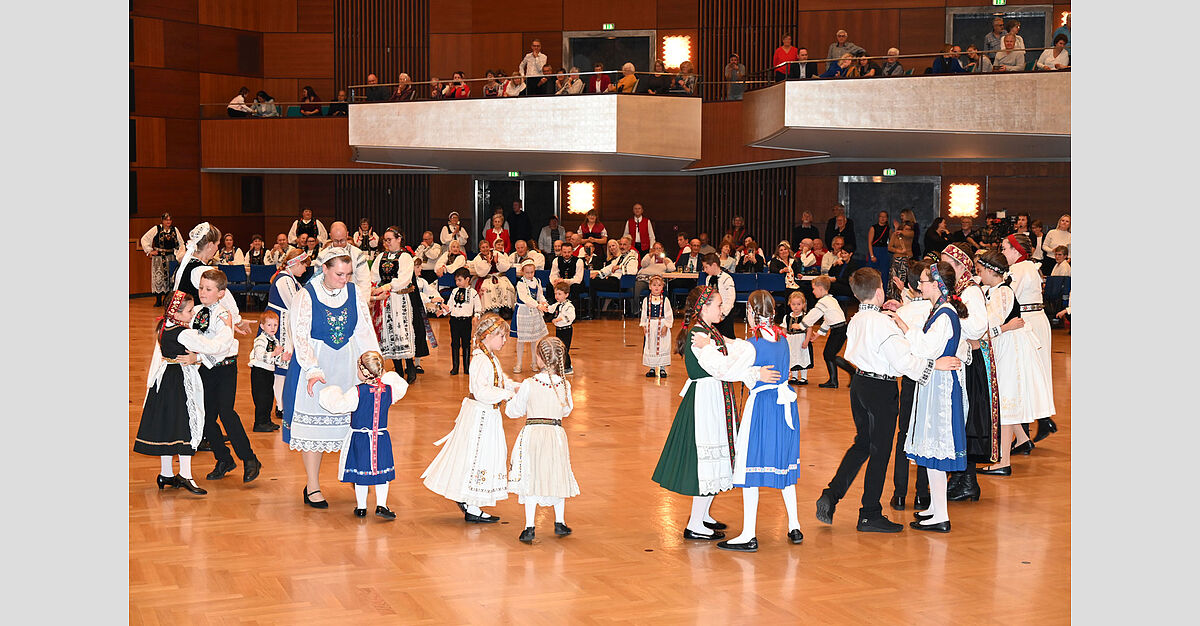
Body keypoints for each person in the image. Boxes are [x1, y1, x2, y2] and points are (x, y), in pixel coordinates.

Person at [814, 268, 961, 533]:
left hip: (859, 384)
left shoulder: (857, 318)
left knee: (862, 444)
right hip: (880, 388)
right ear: (880, 291)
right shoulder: (883, 323)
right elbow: (904, 361)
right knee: (880, 451)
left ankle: (832, 494)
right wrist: (934, 365)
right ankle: (869, 513)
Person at [652, 285, 781, 541]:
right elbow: (723, 368)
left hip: (716, 397)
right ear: (704, 307)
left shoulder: (709, 332)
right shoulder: (698, 335)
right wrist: (754, 373)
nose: (722, 309)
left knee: (718, 454)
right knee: (706, 460)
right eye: (718, 304)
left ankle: (705, 516)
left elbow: (735, 350)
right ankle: (695, 524)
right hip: (705, 400)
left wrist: (753, 345)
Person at [282, 248, 380, 509]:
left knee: (353, 425)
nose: (344, 279)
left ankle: (356, 477)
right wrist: (313, 369)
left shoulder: (354, 293)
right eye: (339, 273)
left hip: (347, 364)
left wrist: (373, 364)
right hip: (316, 364)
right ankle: (312, 485)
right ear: (324, 269)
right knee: (313, 428)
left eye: (348, 274)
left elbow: (364, 330)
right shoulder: (306, 295)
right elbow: (300, 335)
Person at [717, 290, 804, 551]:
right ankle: (795, 525)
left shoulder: (751, 342)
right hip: (785, 405)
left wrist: (750, 372)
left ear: (751, 313)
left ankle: (748, 534)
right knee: (783, 463)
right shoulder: (782, 337)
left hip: (763, 406)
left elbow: (732, 370)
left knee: (750, 466)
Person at [894, 261, 970, 533]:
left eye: (925, 280)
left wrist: (903, 325)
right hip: (933, 382)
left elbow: (927, 347)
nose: (921, 284)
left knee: (936, 446)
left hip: (941, 388)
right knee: (929, 445)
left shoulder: (945, 313)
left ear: (937, 284)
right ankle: (936, 507)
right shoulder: (940, 311)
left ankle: (942, 514)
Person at [422, 313, 518, 521]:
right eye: (501, 336)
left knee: (480, 456)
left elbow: (499, 380)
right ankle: (472, 504)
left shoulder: (490, 358)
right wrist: (506, 394)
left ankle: (470, 500)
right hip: (480, 416)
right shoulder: (480, 360)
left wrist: (513, 386)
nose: (504, 341)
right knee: (478, 456)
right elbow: (482, 391)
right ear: (487, 336)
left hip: (488, 415)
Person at [974, 251, 1047, 475]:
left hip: (1009, 346)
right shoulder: (993, 290)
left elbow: (991, 327)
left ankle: (1003, 461)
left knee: (1004, 400)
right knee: (1005, 397)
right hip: (1004, 343)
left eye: (980, 270)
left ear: (990, 271)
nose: (979, 274)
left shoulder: (1002, 293)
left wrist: (983, 334)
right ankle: (1023, 440)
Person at [191, 269, 263, 483]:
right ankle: (224, 458)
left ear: (221, 293)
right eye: (201, 288)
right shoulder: (197, 311)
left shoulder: (224, 316)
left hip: (224, 368)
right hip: (204, 368)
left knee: (226, 412)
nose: (203, 292)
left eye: (208, 289)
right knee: (205, 417)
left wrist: (196, 354)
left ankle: (249, 458)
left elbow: (220, 346)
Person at [317, 350, 407, 520]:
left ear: (364, 371)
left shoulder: (357, 392)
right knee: (382, 473)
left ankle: (361, 507)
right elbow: (400, 386)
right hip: (381, 438)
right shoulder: (389, 390)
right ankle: (381, 505)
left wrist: (331, 391)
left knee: (361, 474)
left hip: (360, 439)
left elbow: (339, 405)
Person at [939, 243, 998, 503]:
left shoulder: (970, 291)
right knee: (961, 417)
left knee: (970, 416)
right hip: (963, 357)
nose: (944, 269)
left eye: (948, 263)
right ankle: (961, 478)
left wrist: (950, 319)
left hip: (973, 362)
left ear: (962, 265)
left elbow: (976, 327)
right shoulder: (957, 290)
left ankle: (968, 481)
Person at [507, 336, 580, 543]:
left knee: (532, 476)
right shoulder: (564, 385)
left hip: (533, 433)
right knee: (556, 473)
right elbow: (566, 410)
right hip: (555, 434)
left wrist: (510, 399)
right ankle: (559, 522)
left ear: (539, 358)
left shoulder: (529, 384)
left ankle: (529, 526)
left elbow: (515, 411)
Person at [134, 290, 207, 496]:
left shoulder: (165, 326)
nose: (193, 314)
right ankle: (185, 474)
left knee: (168, 425)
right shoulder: (184, 333)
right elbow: (209, 347)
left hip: (165, 378)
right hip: (179, 380)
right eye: (190, 311)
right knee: (184, 425)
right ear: (177, 312)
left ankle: (166, 474)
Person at [1001, 234, 1057, 443]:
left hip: (1027, 322)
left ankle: (1024, 430)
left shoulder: (1018, 269)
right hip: (1037, 319)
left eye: (1005, 248)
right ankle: (1040, 421)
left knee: (1022, 374)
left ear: (1015, 250)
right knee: (1035, 373)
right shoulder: (1030, 267)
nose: (1003, 252)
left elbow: (1007, 295)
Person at [888, 268, 932, 512]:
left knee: (904, 433)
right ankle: (922, 494)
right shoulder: (935, 310)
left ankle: (900, 493)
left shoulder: (904, 312)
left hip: (909, 377)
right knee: (926, 432)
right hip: (931, 375)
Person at [370, 228, 423, 383]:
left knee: (402, 330)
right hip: (384, 301)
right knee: (388, 332)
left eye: (389, 239)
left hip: (400, 300)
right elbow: (374, 276)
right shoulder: (381, 256)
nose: (387, 243)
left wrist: (385, 287)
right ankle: (398, 368)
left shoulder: (405, 257)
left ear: (398, 239)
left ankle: (410, 366)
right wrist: (374, 287)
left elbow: (404, 280)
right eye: (385, 240)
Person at [268, 249, 309, 417]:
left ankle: (283, 403)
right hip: (279, 325)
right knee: (281, 368)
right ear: (297, 263)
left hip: (284, 323)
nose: (306, 269)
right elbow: (295, 304)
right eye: (305, 265)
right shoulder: (284, 280)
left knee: (283, 367)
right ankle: (280, 406)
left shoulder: (289, 278)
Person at [798, 276, 848, 388]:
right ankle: (835, 380)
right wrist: (818, 334)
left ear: (820, 288)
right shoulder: (830, 300)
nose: (813, 291)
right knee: (829, 354)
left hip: (839, 330)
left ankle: (839, 379)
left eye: (814, 288)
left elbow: (814, 315)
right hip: (839, 329)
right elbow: (828, 320)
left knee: (829, 354)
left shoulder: (823, 302)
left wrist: (801, 325)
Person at [248, 311, 284, 433]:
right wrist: (274, 354)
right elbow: (259, 355)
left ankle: (266, 421)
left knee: (269, 397)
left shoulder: (275, 340)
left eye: (275, 325)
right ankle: (259, 423)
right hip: (259, 372)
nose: (273, 328)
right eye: (269, 325)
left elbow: (275, 359)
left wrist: (282, 358)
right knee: (261, 398)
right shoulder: (261, 340)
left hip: (269, 372)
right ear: (262, 326)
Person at [512, 260, 550, 373]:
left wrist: (544, 303)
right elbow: (526, 299)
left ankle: (534, 363)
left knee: (534, 339)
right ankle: (518, 364)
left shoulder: (537, 281)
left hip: (534, 312)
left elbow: (540, 295)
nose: (530, 275)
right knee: (521, 340)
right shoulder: (521, 284)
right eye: (527, 272)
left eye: (532, 272)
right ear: (522, 271)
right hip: (523, 313)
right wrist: (538, 305)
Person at [588, 237, 639, 318]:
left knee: (592, 283)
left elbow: (633, 271)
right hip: (612, 282)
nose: (622, 246)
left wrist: (620, 267)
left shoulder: (632, 258)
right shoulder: (621, 257)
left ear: (629, 246)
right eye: (621, 244)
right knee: (592, 280)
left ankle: (592, 312)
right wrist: (598, 273)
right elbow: (609, 267)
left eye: (624, 244)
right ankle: (592, 311)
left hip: (620, 284)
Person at [140, 213, 183, 306]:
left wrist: (180, 255)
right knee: (159, 278)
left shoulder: (175, 230)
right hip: (159, 258)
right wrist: (150, 251)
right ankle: (158, 299)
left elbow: (181, 243)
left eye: (170, 220)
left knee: (170, 278)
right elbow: (144, 239)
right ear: (162, 221)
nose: (168, 222)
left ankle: (167, 299)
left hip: (171, 257)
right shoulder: (156, 229)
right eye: (166, 220)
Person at [640, 275, 674, 378]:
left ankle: (662, 368)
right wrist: (644, 325)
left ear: (662, 287)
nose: (656, 287)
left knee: (663, 346)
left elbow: (669, 314)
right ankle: (652, 368)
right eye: (654, 285)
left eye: (659, 285)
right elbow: (644, 313)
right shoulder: (647, 300)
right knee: (651, 345)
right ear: (650, 286)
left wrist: (666, 326)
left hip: (662, 324)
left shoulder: (665, 300)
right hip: (651, 326)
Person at [471, 239, 517, 315]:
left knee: (507, 287)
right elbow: (481, 273)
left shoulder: (496, 254)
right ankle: (489, 309)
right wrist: (488, 263)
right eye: (483, 247)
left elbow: (506, 267)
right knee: (488, 289)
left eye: (486, 247)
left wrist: (497, 262)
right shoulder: (478, 258)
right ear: (480, 249)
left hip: (499, 276)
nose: (485, 249)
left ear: (490, 247)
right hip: (486, 278)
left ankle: (505, 309)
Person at [700, 253, 737, 339]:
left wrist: (723, 314)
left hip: (725, 315)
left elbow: (731, 299)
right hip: (713, 314)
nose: (705, 270)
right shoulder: (708, 278)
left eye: (706, 267)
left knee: (726, 338)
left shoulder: (727, 279)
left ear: (714, 265)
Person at [782, 291, 814, 385]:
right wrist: (783, 340)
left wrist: (807, 341)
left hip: (801, 339)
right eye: (793, 304)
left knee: (802, 357)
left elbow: (809, 329)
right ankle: (794, 376)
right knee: (793, 357)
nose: (796, 306)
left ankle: (804, 377)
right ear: (789, 304)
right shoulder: (786, 317)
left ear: (803, 304)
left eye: (798, 304)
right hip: (790, 340)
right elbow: (784, 329)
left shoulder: (805, 317)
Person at [549, 241, 585, 317]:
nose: (567, 254)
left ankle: (572, 315)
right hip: (560, 283)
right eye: (564, 252)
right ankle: (552, 313)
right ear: (561, 252)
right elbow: (553, 274)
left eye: (569, 252)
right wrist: (555, 282)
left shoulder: (579, 261)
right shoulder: (556, 260)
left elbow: (578, 279)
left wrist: (564, 281)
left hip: (574, 284)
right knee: (549, 286)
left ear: (572, 251)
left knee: (575, 287)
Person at [635, 241, 676, 307]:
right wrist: (650, 255)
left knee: (658, 287)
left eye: (659, 248)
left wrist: (666, 261)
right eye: (655, 249)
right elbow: (643, 264)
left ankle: (658, 309)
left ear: (662, 249)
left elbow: (672, 269)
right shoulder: (649, 257)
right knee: (635, 289)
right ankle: (636, 311)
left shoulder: (666, 259)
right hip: (644, 279)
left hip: (657, 280)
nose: (657, 251)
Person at [549, 281, 576, 374]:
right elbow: (551, 308)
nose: (557, 296)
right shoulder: (558, 304)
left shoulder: (569, 306)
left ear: (566, 294)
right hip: (559, 330)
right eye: (555, 294)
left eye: (559, 294)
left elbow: (570, 316)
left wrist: (557, 319)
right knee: (559, 347)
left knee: (564, 348)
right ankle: (561, 365)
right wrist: (543, 306)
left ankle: (568, 367)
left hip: (566, 330)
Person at [887, 222, 915, 301]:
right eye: (905, 229)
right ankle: (894, 298)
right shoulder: (895, 235)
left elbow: (909, 234)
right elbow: (890, 247)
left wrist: (901, 231)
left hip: (905, 260)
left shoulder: (910, 235)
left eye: (908, 229)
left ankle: (902, 298)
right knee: (894, 280)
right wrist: (898, 250)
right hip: (896, 260)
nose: (907, 231)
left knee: (902, 280)